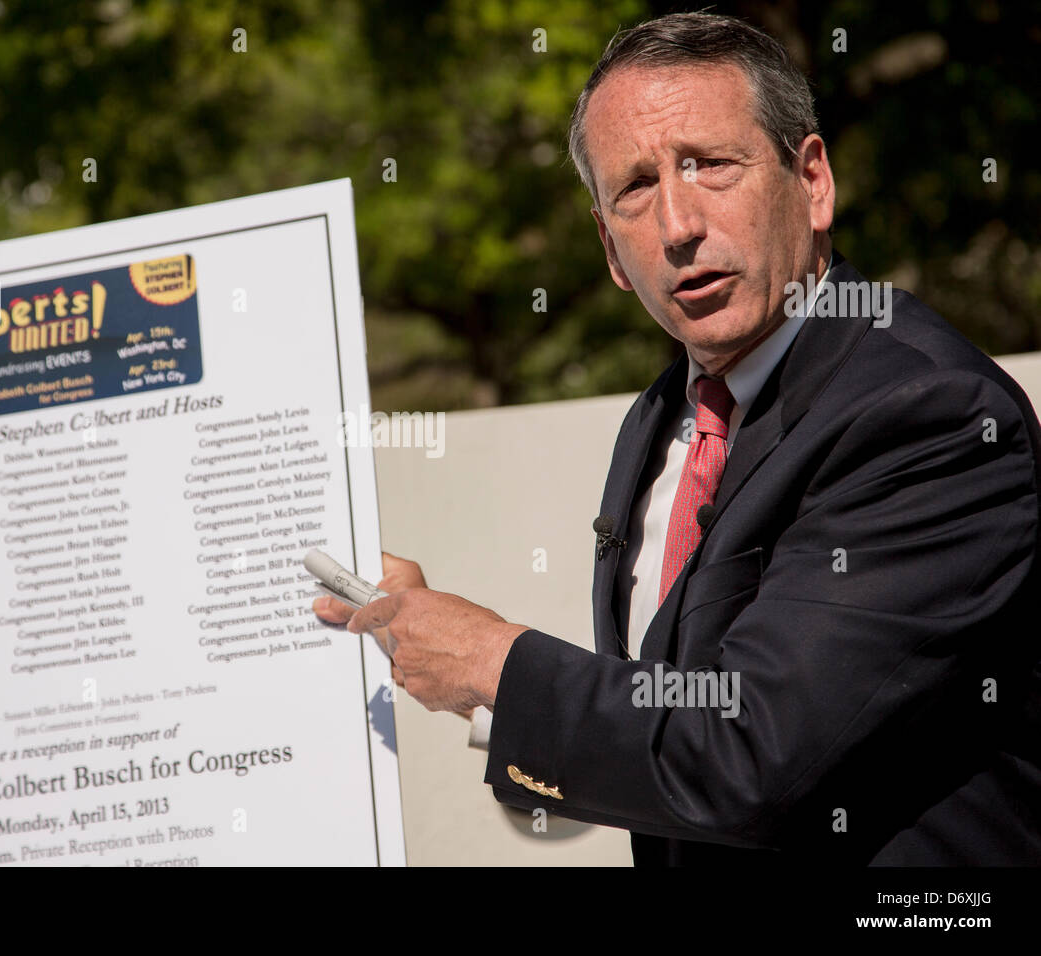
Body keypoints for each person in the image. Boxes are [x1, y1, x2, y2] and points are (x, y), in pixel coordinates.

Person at [313, 12, 1041, 864]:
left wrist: (492, 662)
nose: (678, 224)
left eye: (711, 166)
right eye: (635, 188)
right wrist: (440, 649)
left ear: (812, 182)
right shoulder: (665, 418)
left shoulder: (931, 416)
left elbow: (745, 752)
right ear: (611, 252)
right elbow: (662, 739)